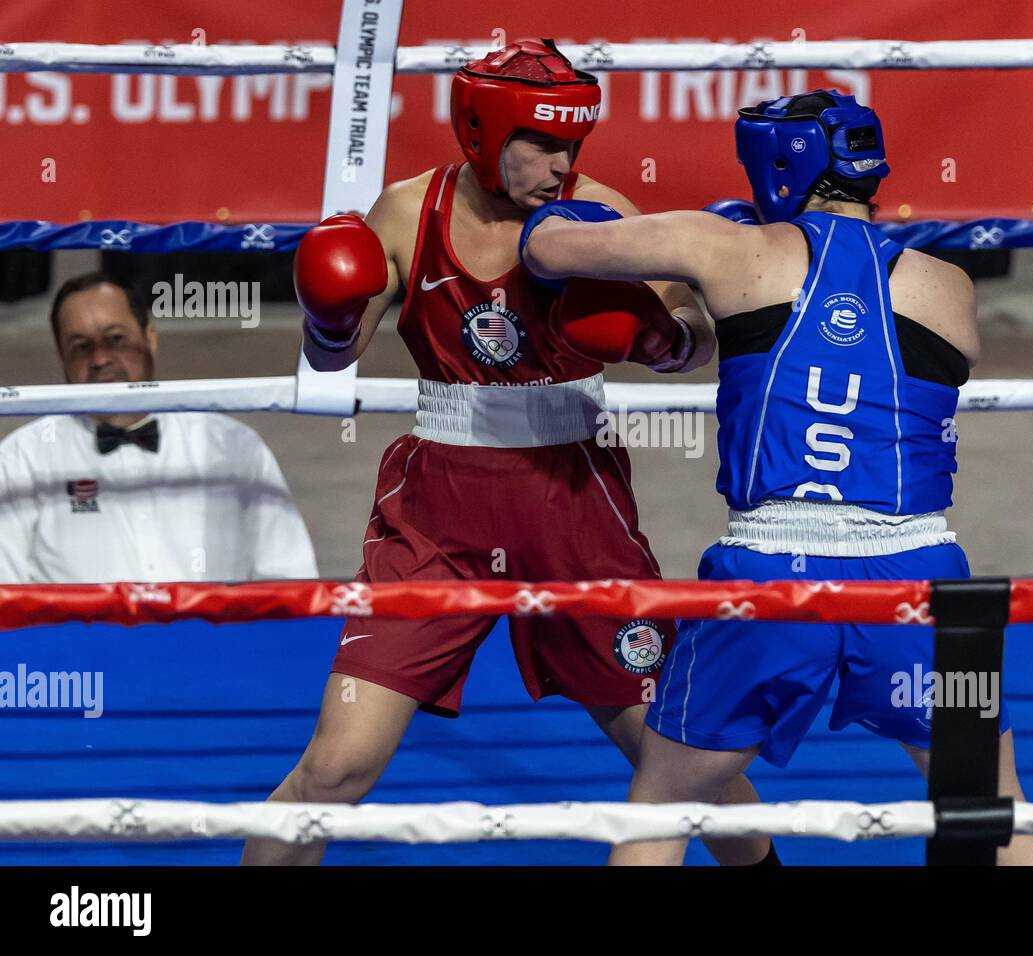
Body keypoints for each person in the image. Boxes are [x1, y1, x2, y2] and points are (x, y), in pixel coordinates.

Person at [242, 38, 773, 866]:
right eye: (543, 144)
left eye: (572, 144)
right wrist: (329, 317)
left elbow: (698, 334)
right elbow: (334, 360)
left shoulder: (603, 218)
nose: (562, 166)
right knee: (337, 767)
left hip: (574, 506)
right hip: (434, 516)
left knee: (681, 762)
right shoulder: (406, 211)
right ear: (482, 133)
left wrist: (666, 340)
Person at [521, 90, 1033, 865]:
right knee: (992, 807)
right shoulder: (951, 288)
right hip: (919, 576)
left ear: (779, 166)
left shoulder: (727, 249)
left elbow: (548, 249)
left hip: (771, 574)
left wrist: (675, 260)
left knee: (661, 809)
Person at [0, 272, 317, 584]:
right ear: (61, 358)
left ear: (150, 337)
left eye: (115, 339)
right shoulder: (20, 460)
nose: (99, 359)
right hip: (74, 638)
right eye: (81, 347)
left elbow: (289, 579)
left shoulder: (232, 447)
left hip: (215, 637)